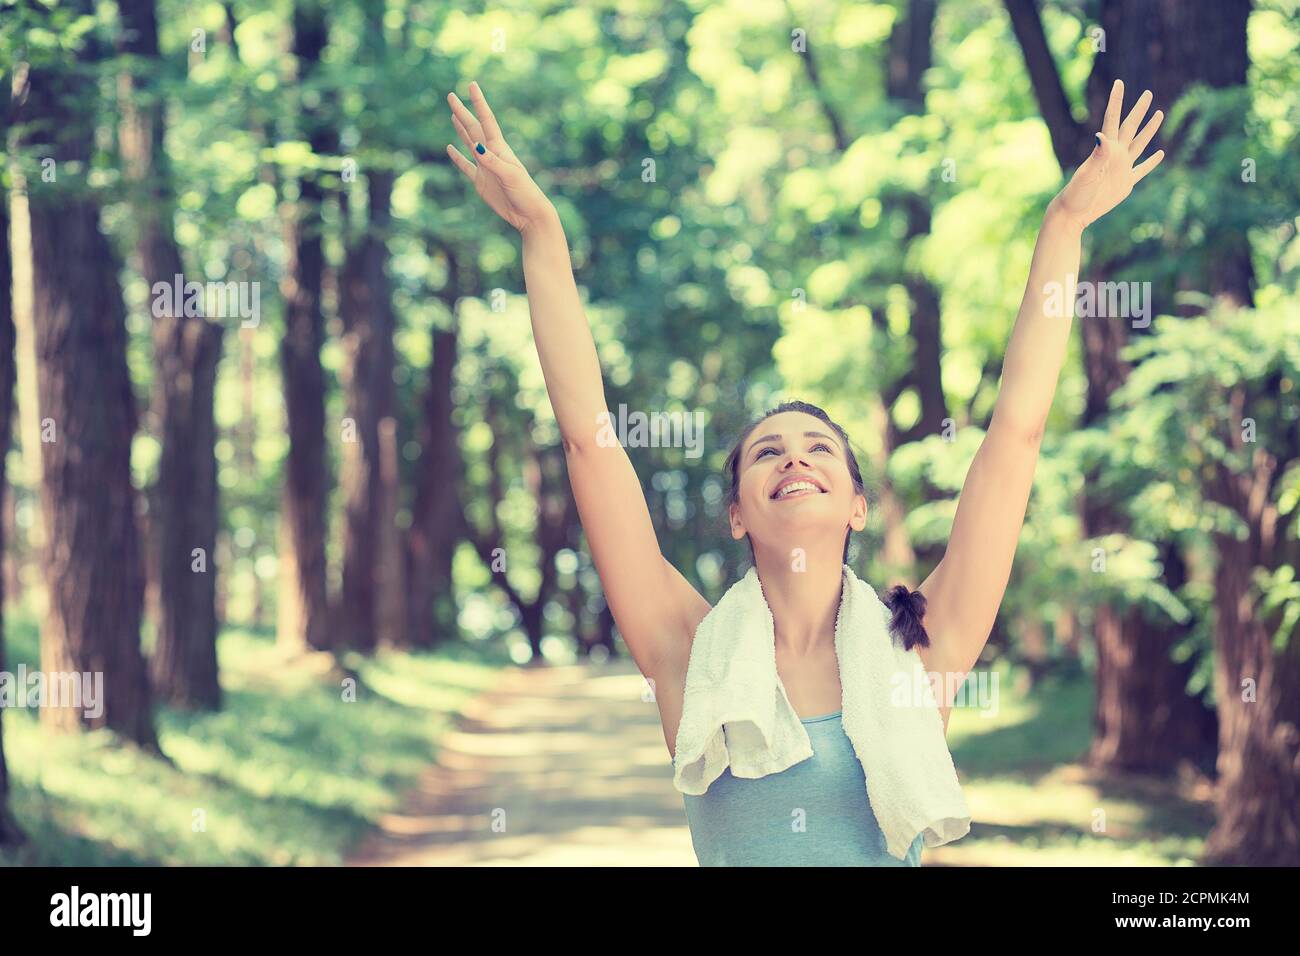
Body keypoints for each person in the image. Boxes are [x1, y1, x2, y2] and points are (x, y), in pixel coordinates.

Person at [446, 78, 1165, 865]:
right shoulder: (686, 647)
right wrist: (541, 232)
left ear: (858, 505)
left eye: (820, 448)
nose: (794, 455)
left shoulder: (922, 644)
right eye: (767, 450)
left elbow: (1016, 438)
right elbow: (591, 442)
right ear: (737, 515)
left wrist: (1065, 224)